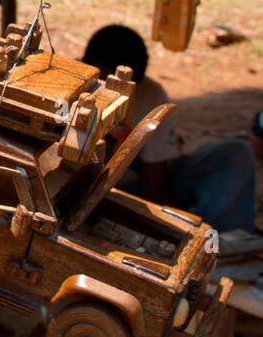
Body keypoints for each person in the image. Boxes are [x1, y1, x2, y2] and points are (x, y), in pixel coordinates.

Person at [81, 24, 259, 241]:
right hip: (92, 197)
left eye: (132, 84)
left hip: (135, 192)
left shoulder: (150, 94)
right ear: (95, 68)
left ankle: (223, 244)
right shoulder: (68, 88)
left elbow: (155, 185)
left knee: (235, 153)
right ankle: (204, 243)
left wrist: (184, 234)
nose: (126, 90)